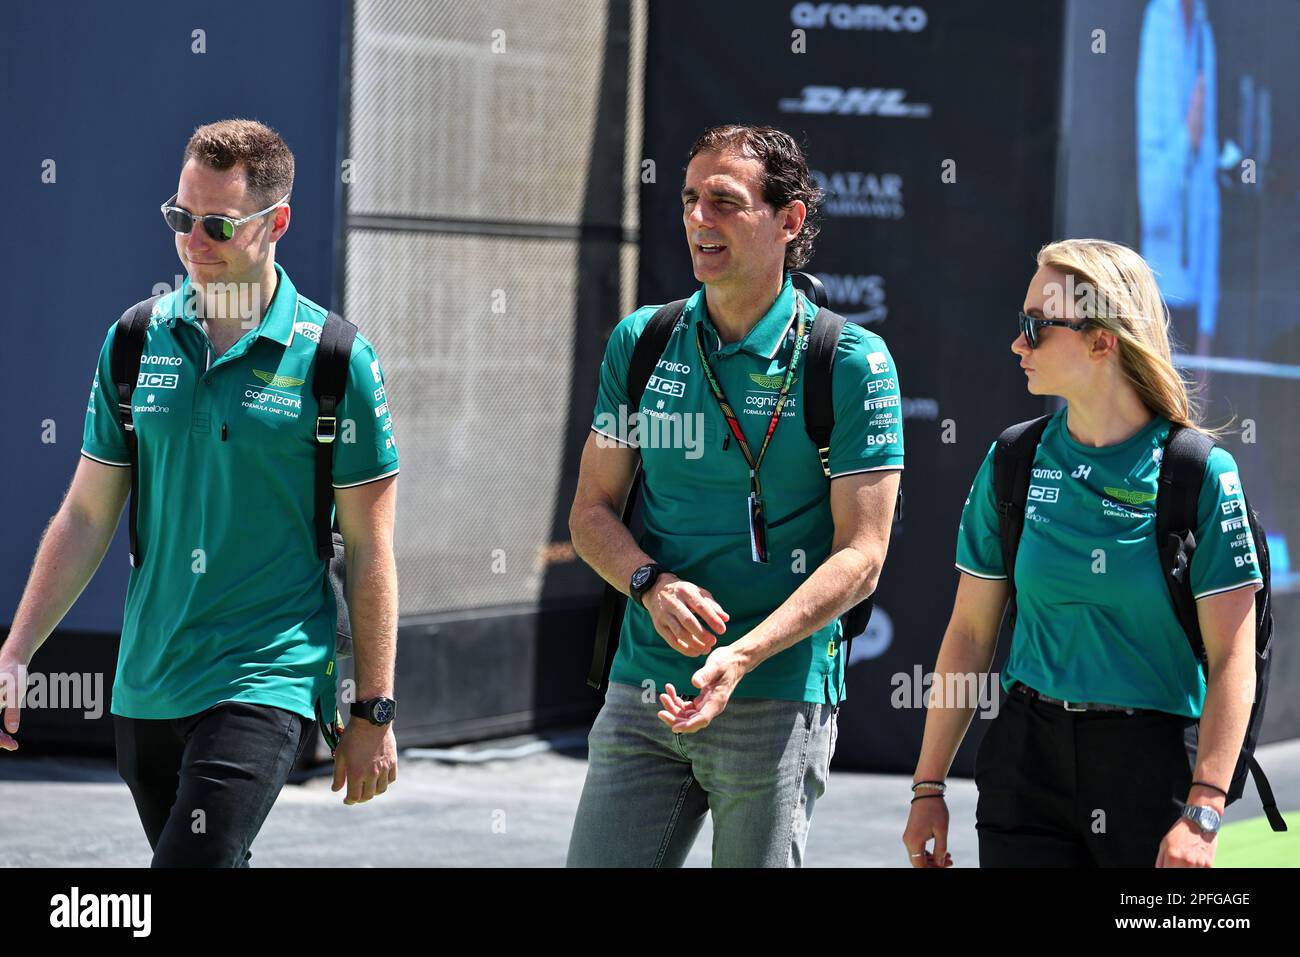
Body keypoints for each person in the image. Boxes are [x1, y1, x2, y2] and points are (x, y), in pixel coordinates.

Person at [0, 119, 402, 866]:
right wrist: (18, 647)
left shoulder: (338, 360)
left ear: (276, 222)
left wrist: (373, 705)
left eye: (218, 224)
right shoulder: (132, 341)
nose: (193, 241)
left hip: (268, 671)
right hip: (148, 680)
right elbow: (87, 514)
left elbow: (373, 546)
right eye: (180, 218)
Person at [566, 125, 903, 867]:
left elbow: (864, 554)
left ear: (789, 221)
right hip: (643, 686)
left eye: (723, 201)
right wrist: (649, 584)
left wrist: (742, 655)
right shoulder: (643, 340)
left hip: (776, 690)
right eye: (689, 200)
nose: (696, 219)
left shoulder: (848, 359)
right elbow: (591, 514)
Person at [902, 238, 1261, 868]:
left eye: (1036, 327)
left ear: (1103, 342)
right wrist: (928, 784)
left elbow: (1235, 657)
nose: (1018, 343)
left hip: (1151, 771)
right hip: (1025, 763)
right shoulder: (1012, 460)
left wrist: (1204, 810)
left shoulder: (1199, 474)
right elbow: (969, 633)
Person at [1138, 0, 1219, 358]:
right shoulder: (1157, 24)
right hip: (1158, 298)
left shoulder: (1203, 30)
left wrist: (1207, 330)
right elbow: (1153, 205)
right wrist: (1189, 136)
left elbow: (1208, 185)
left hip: (1196, 298)